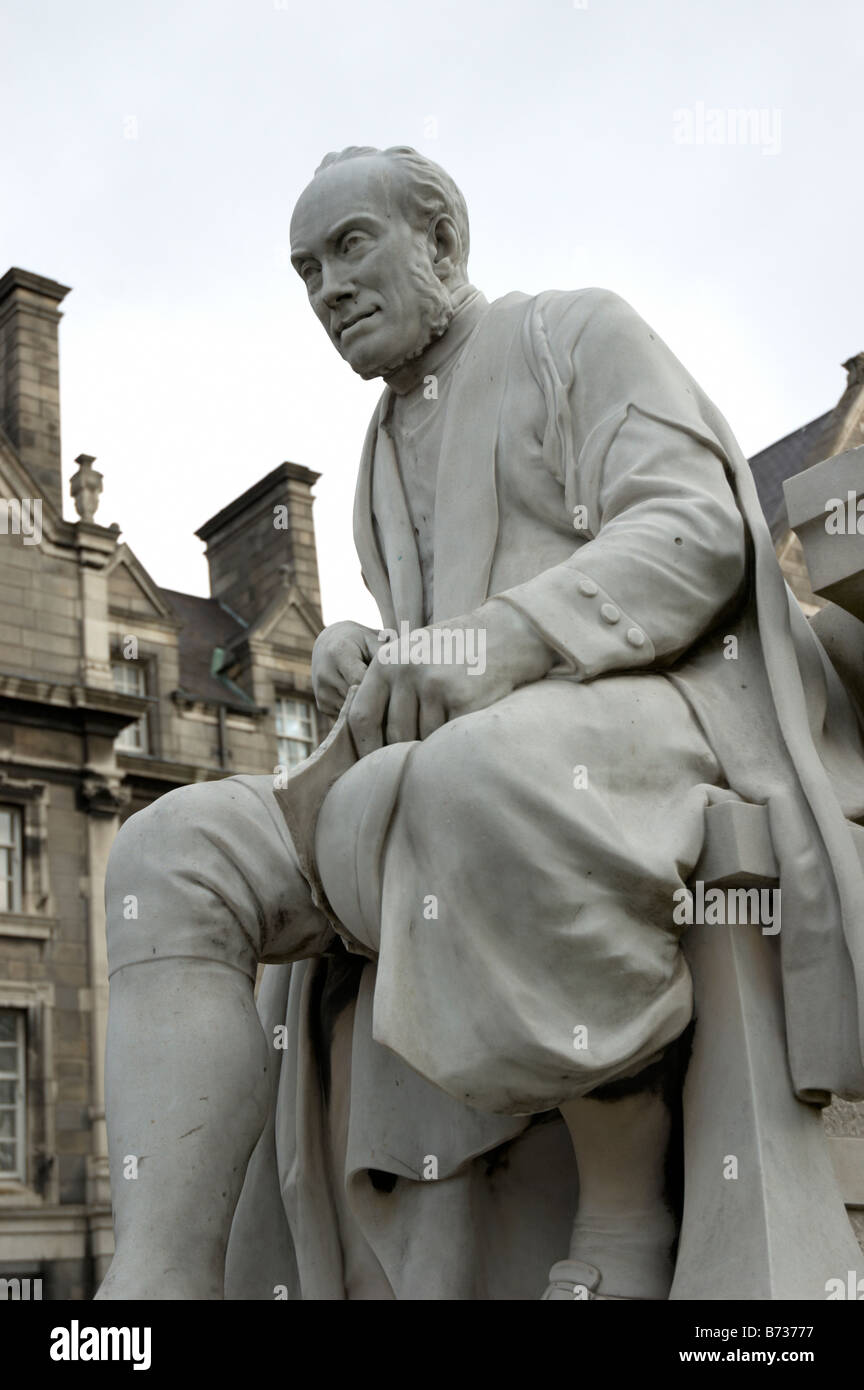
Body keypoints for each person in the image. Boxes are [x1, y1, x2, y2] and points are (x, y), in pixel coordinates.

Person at [97, 146, 864, 1302]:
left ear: (442, 240)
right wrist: (372, 646)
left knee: (471, 784)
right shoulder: (376, 454)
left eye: (352, 247)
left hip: (659, 703)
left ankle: (621, 1212)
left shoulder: (578, 334)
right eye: (305, 269)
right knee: (170, 850)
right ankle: (159, 1283)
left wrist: (498, 640)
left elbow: (698, 529)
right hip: (448, 745)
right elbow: (438, 635)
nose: (327, 290)